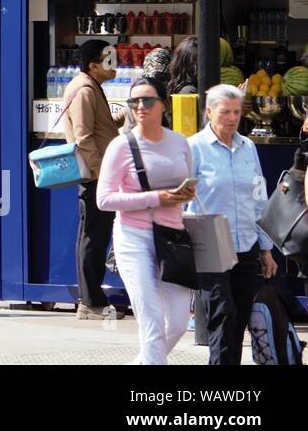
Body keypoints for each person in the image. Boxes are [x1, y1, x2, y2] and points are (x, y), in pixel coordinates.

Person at [96, 77, 196, 365]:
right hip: (133, 237)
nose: (140, 106)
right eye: (134, 101)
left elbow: (186, 185)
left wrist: (184, 194)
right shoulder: (120, 146)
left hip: (173, 238)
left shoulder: (179, 141)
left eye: (147, 100)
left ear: (163, 104)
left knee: (177, 321)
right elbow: (104, 199)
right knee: (150, 318)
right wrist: (156, 199)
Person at [188, 84, 277, 364]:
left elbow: (259, 199)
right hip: (211, 245)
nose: (231, 118)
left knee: (239, 317)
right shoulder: (194, 148)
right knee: (222, 314)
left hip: (246, 244)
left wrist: (266, 249)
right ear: (208, 112)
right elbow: (180, 199)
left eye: (236, 112)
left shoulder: (247, 146)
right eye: (225, 112)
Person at [61, 39, 121, 320]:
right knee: (92, 237)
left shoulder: (90, 86)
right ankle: (91, 301)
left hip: (98, 173)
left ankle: (91, 298)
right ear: (93, 65)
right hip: (96, 175)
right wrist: (101, 172)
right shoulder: (85, 89)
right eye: (108, 60)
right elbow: (84, 136)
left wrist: (122, 117)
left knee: (94, 235)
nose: (114, 64)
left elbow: (97, 127)